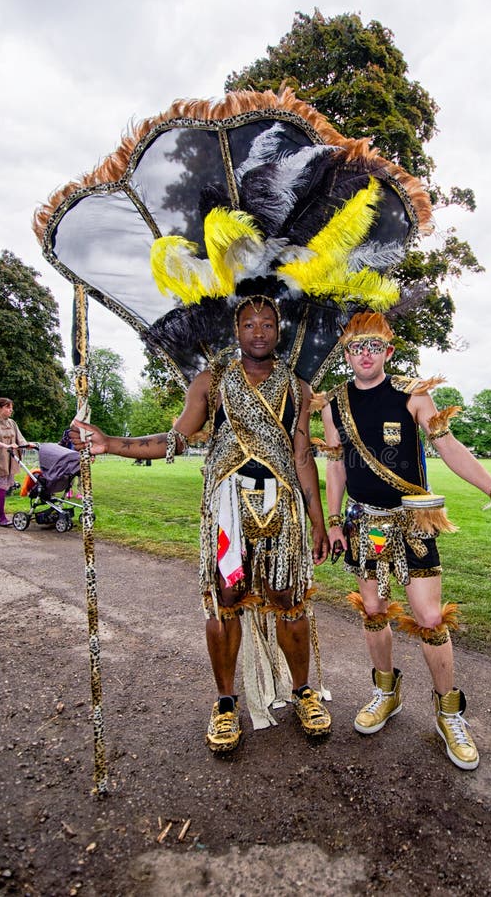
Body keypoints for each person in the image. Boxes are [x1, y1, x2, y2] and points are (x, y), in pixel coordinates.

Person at [70, 295, 331, 753]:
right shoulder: (212, 381)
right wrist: (110, 443)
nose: (258, 331)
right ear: (236, 330)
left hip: (283, 507)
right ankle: (226, 702)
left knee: (287, 596)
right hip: (228, 506)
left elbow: (303, 457)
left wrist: (318, 523)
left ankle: (303, 692)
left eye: (267, 324)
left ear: (278, 331)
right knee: (225, 597)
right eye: (248, 324)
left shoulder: (298, 386)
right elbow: (177, 437)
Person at [320, 312, 491, 770]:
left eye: (373, 346)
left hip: (414, 522)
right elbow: (336, 465)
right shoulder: (333, 404)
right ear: (346, 354)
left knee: (429, 617)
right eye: (356, 347)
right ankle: (386, 692)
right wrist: (335, 520)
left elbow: (449, 447)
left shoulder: (414, 394)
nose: (365, 354)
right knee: (374, 611)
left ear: (388, 351)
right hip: (367, 524)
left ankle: (449, 713)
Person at [0, 398, 38, 527]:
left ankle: (1, 516)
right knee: (1, 487)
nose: (11, 410)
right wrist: (6, 446)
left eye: (11, 407)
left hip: (9, 459)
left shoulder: (12, 423)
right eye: (7, 407)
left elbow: (19, 438)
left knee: (3, 487)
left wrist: (27, 445)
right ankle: (2, 517)